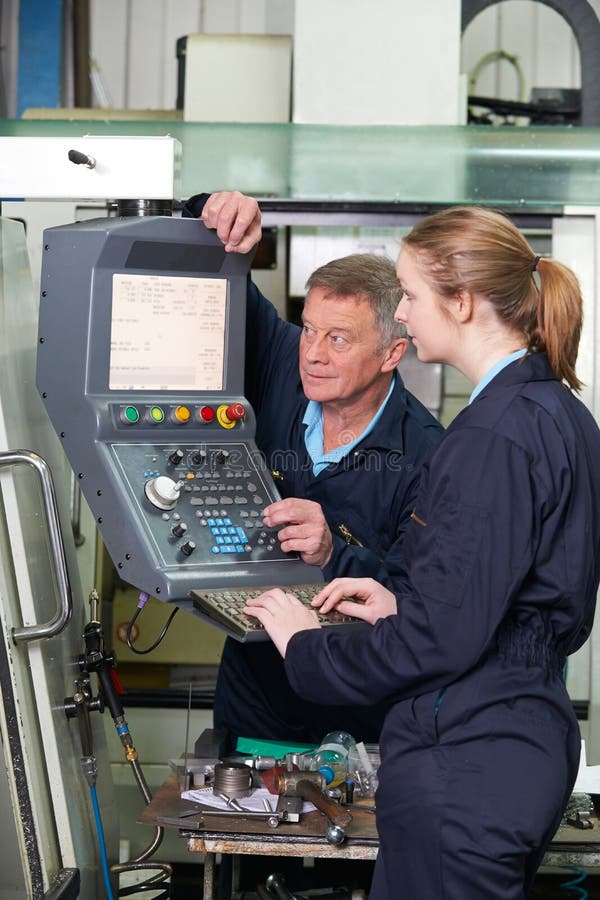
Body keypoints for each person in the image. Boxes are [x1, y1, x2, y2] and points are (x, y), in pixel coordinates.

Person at [243, 205, 600, 900]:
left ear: (461, 302)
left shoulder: (486, 439)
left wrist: (306, 644)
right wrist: (402, 600)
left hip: (467, 757)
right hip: (520, 738)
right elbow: (497, 597)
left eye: (409, 294)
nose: (401, 314)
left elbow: (437, 643)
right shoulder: (558, 413)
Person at [186, 191, 444, 746]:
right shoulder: (282, 360)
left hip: (357, 725)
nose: (313, 354)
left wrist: (334, 552)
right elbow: (212, 269)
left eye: (339, 338)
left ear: (393, 353)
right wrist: (218, 207)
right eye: (309, 328)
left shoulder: (429, 457)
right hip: (254, 706)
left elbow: (418, 609)